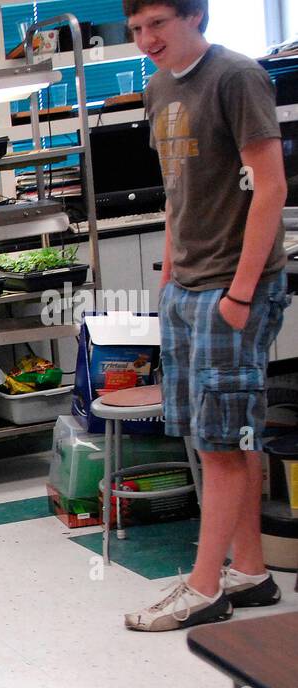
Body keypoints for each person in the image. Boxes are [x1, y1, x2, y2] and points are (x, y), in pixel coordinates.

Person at [123, 0, 289, 631]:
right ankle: (249, 572)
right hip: (187, 287)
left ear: (196, 18)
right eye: (137, 29)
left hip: (233, 286)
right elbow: (177, 190)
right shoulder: (158, 87)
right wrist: (168, 277)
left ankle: (202, 588)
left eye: (158, 24)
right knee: (215, 437)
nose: (146, 39)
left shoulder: (237, 76)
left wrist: (242, 293)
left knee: (220, 442)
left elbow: (269, 185)